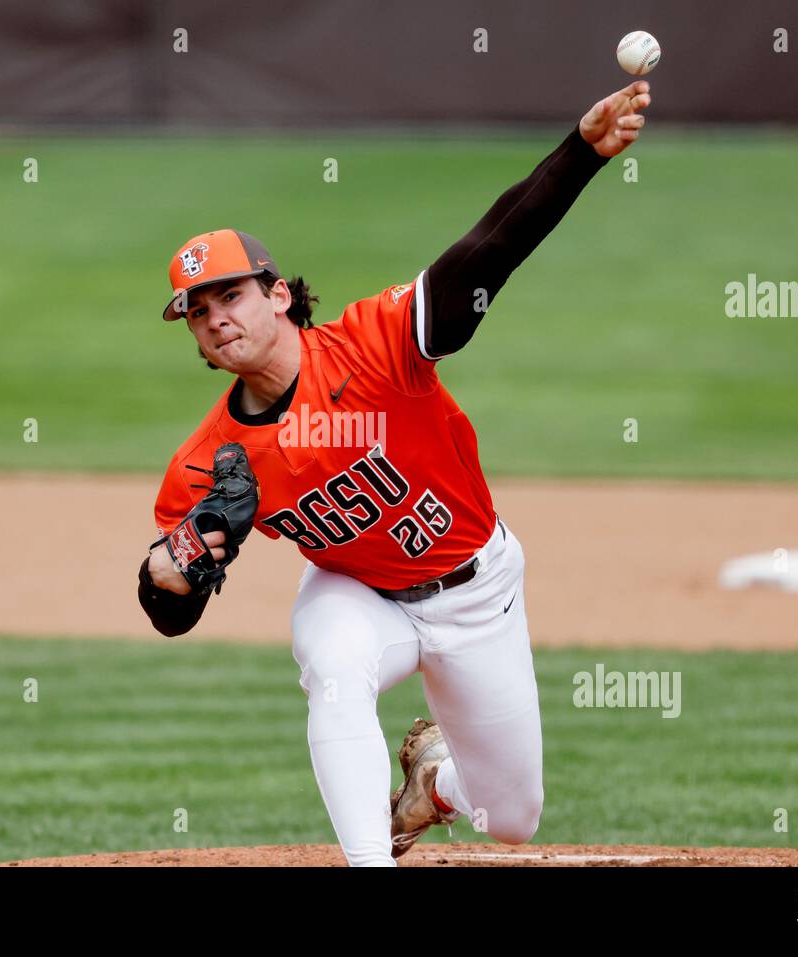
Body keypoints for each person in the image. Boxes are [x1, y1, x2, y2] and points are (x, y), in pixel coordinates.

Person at [138, 82, 652, 867]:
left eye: (230, 296)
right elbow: (166, 609)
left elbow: (488, 252)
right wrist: (189, 554)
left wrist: (579, 154)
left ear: (279, 297)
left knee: (511, 813)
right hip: (358, 598)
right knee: (335, 664)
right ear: (199, 343)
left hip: (478, 591)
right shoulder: (208, 459)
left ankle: (435, 786)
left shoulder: (377, 345)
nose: (217, 318)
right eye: (198, 313)